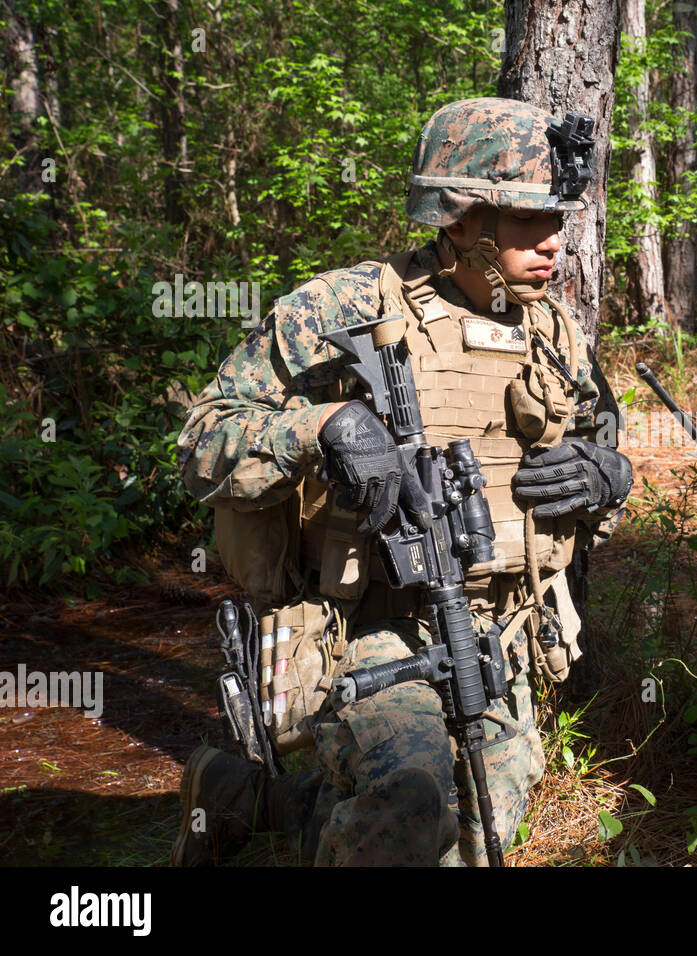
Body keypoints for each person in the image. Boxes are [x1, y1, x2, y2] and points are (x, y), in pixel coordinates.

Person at [172, 97, 632, 866]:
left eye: (559, 219)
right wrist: (320, 429)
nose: (555, 241)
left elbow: (598, 439)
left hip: (502, 638)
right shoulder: (344, 306)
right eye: (528, 219)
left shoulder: (552, 330)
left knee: (475, 840)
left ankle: (246, 799)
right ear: (459, 218)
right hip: (368, 633)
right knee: (411, 807)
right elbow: (201, 442)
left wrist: (604, 474)